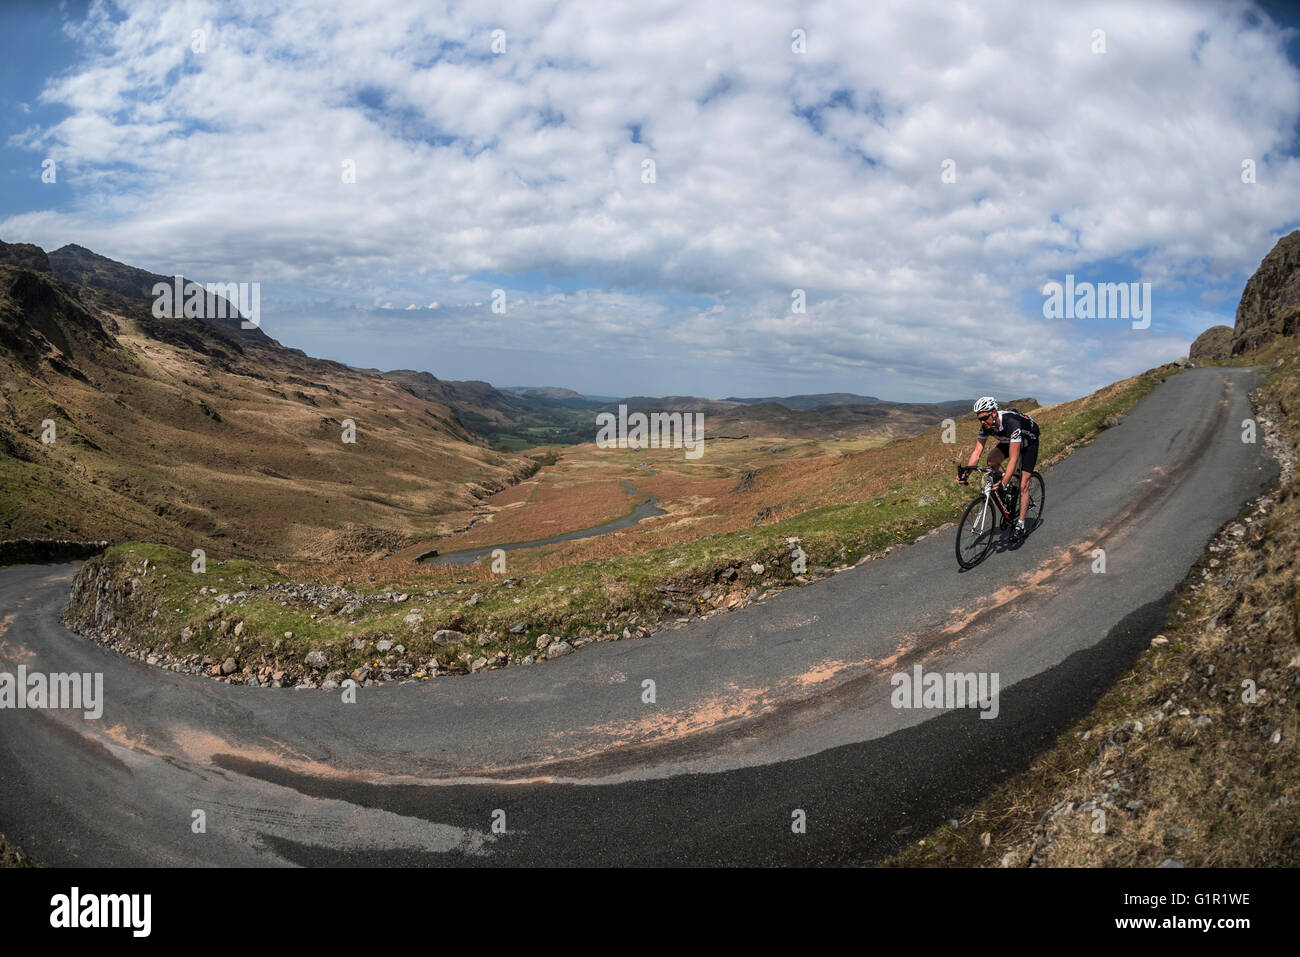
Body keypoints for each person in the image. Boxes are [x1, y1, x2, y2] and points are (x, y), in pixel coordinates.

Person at [958, 396, 1040, 541]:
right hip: (1008, 440)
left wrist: (1003, 483)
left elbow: (1013, 459)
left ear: (994, 412)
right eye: (979, 419)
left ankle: (1020, 525)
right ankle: (1009, 488)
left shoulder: (1012, 423)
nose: (982, 422)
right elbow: (977, 452)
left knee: (1023, 484)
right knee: (991, 461)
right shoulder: (985, 426)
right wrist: (967, 473)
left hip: (1029, 442)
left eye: (984, 417)